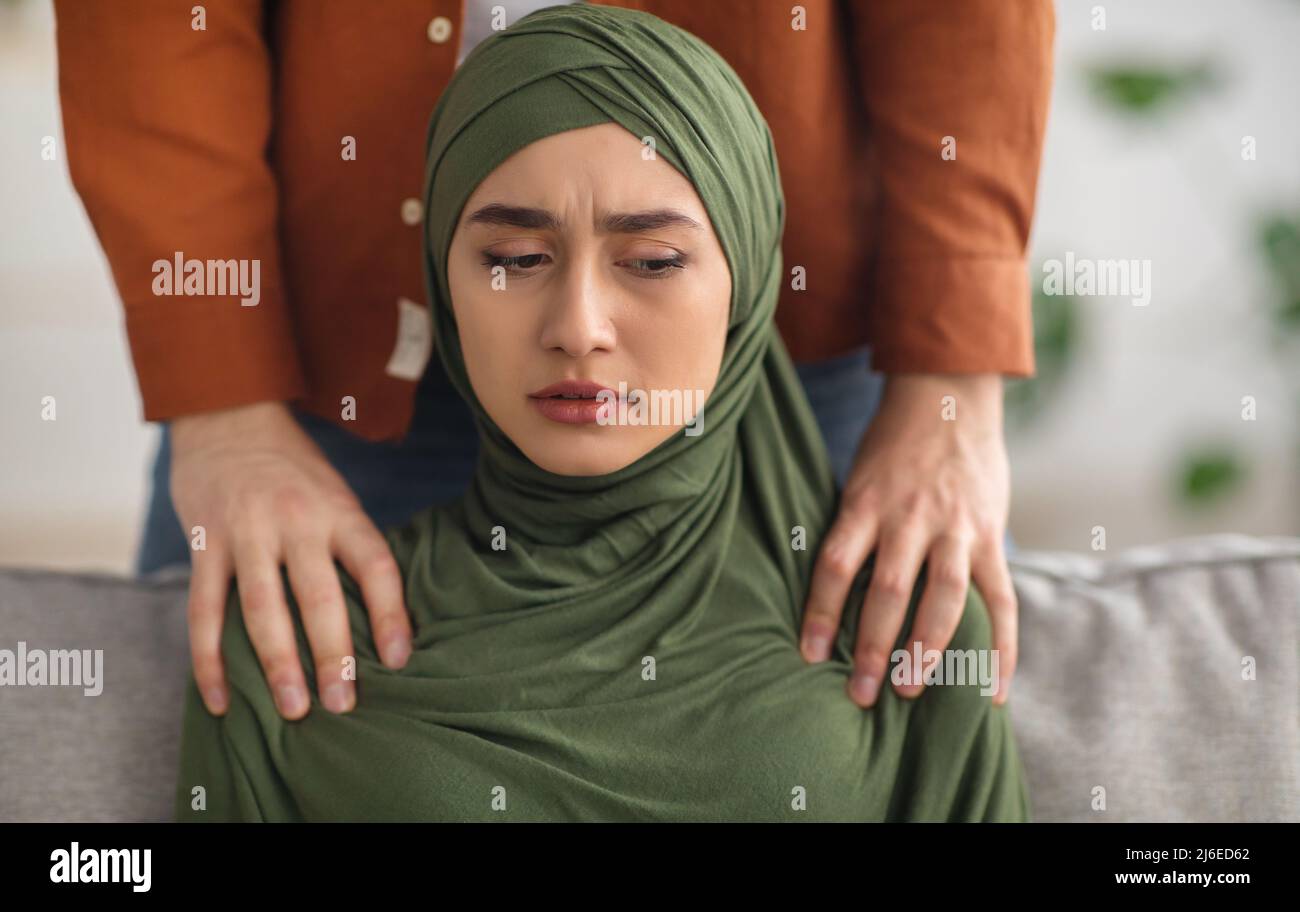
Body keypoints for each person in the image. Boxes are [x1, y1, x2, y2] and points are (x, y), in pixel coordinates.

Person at [53, 0, 1054, 721]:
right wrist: (225, 410)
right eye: (519, 260)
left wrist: (950, 389)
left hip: (780, 363)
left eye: (651, 258)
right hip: (319, 368)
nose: (577, 327)